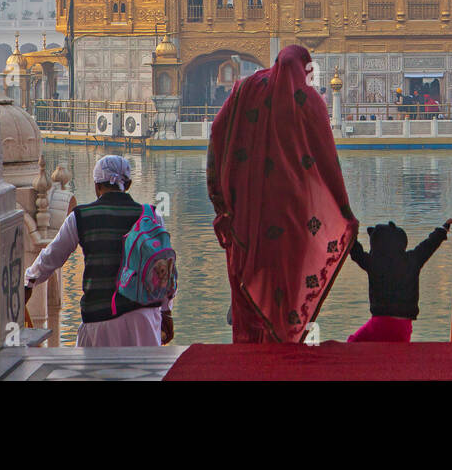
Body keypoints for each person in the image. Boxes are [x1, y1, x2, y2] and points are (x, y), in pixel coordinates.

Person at [207, 44, 359, 343]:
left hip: (248, 210)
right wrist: (343, 209)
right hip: (293, 212)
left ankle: (248, 351)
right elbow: (328, 161)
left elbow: (216, 132)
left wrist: (221, 195)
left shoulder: (245, 90)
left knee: (250, 272)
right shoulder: (309, 100)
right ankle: (283, 346)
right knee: (287, 278)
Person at [24, 155, 174, 346]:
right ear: (127, 185)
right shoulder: (152, 215)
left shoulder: (80, 217)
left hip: (100, 319)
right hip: (144, 320)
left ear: (96, 186)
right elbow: (164, 268)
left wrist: (28, 282)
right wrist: (166, 311)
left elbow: (51, 257)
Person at [346, 218, 452, 341]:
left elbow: (356, 252)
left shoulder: (374, 263)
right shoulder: (412, 260)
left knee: (353, 342)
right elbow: (429, 245)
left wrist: (348, 231)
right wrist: (443, 228)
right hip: (404, 326)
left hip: (380, 323)